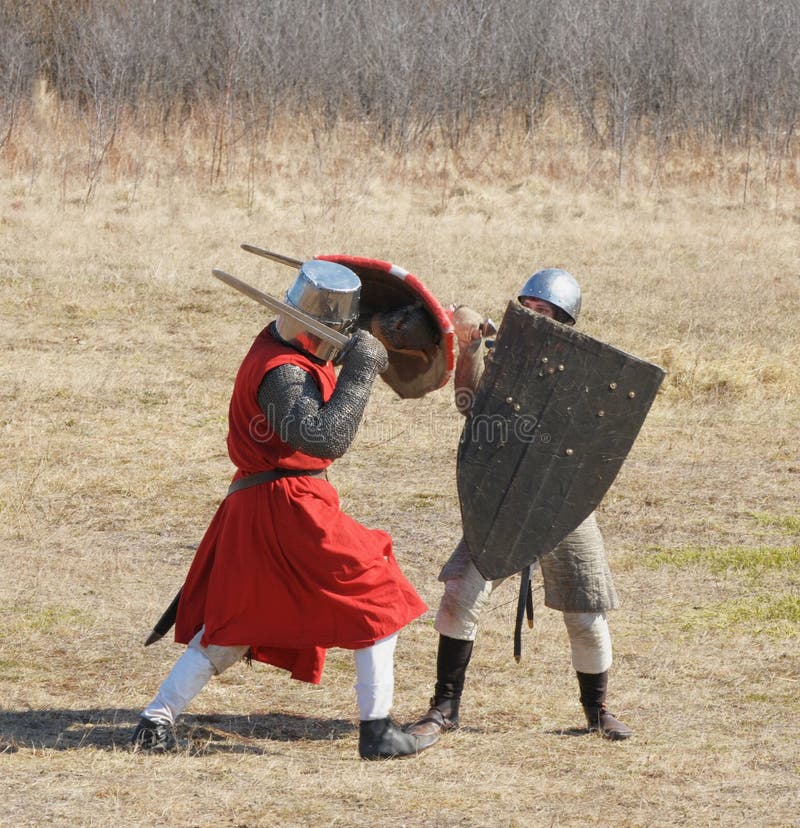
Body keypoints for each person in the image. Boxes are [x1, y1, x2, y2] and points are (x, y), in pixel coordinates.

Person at [131, 259, 439, 760]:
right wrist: (360, 371)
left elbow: (324, 352)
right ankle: (378, 730)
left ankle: (156, 718)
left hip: (261, 503)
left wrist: (403, 326)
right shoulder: (281, 374)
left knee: (239, 617)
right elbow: (325, 436)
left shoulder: (280, 339)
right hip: (289, 508)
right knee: (381, 595)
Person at [406, 268, 633, 742]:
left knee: (586, 613)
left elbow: (596, 440)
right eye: (526, 308)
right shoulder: (502, 358)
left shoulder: (587, 375)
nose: (532, 317)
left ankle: (598, 711)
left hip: (560, 502)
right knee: (459, 597)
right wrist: (470, 347)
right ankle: (444, 708)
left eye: (543, 311)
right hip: (505, 498)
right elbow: (469, 403)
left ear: (564, 321)